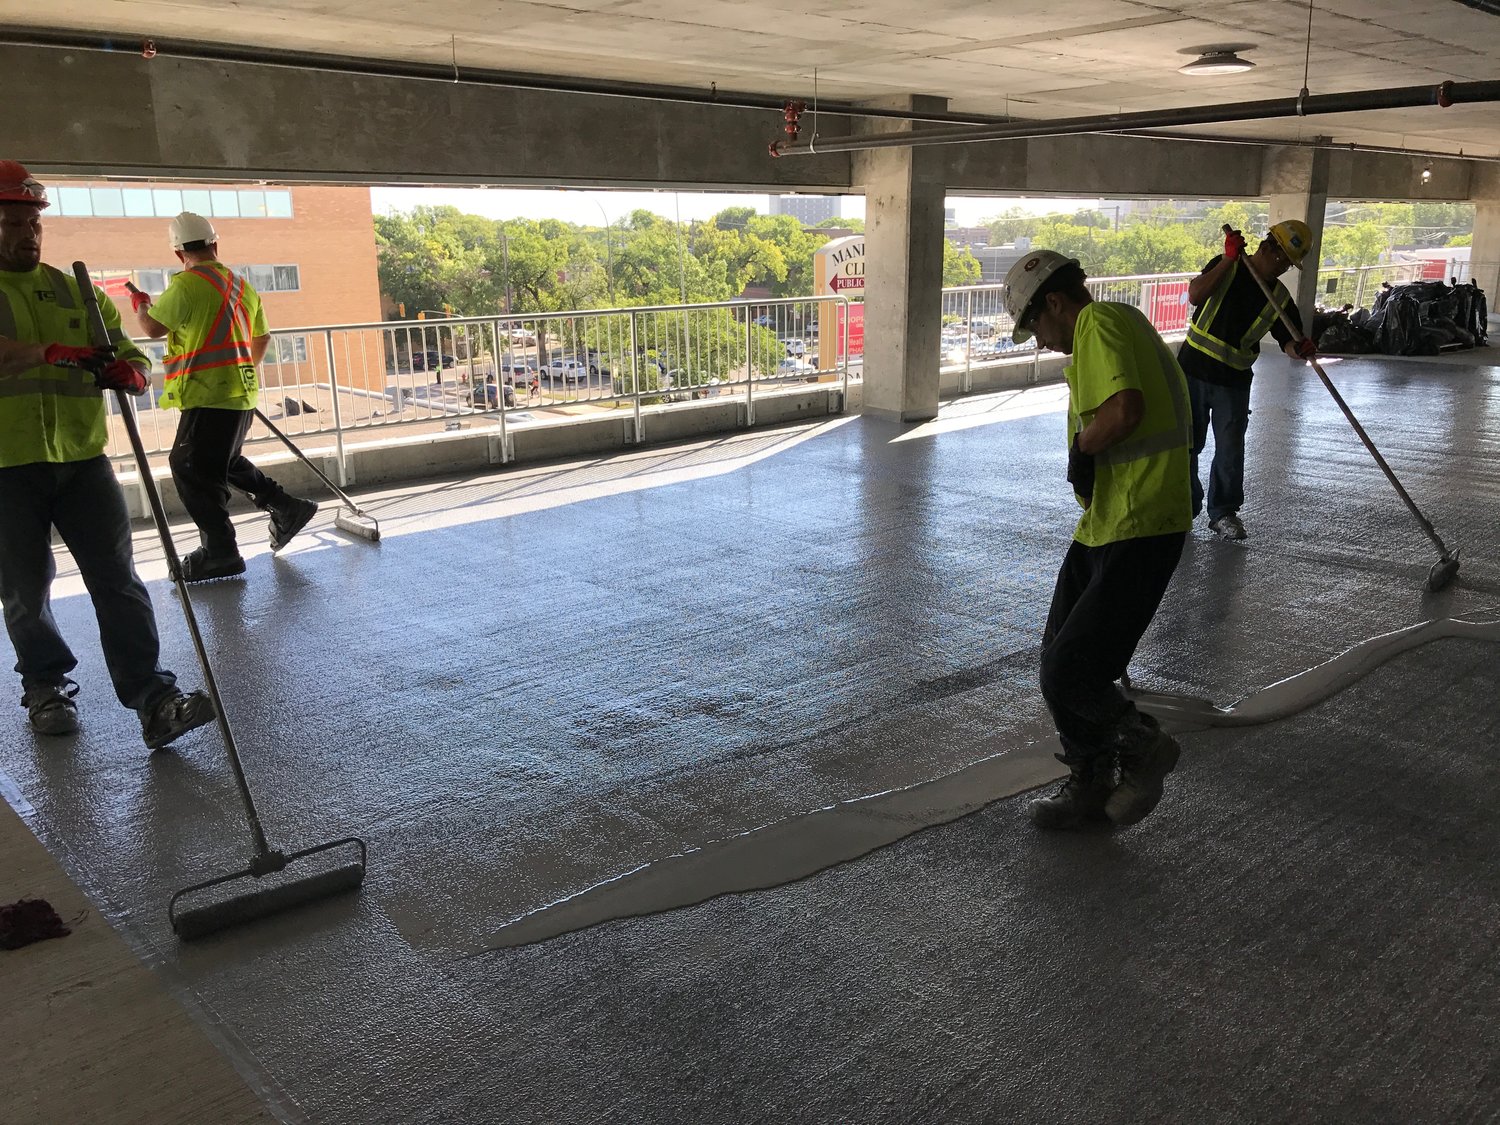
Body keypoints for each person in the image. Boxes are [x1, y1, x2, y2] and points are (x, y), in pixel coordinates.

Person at [0, 161, 216, 748]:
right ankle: (45, 685)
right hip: (6, 466)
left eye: (32, 222)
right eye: (11, 222)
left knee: (119, 581)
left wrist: (135, 374)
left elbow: (128, 350)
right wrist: (53, 350)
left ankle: (153, 697)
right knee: (24, 587)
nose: (27, 234)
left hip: (82, 460)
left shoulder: (76, 290)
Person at [1003, 249, 1194, 830]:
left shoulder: (1101, 323)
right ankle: (1090, 781)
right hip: (1109, 521)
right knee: (1057, 656)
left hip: (1144, 520)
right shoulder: (1103, 330)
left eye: (1034, 324)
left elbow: (1125, 410)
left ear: (1054, 303)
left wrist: (1083, 448)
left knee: (1072, 669)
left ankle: (1142, 746)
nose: (1038, 341)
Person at [131, 212, 318, 581]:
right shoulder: (241, 286)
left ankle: (220, 551)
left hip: (208, 393)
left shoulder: (186, 285)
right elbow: (262, 337)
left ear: (178, 253)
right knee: (222, 460)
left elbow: (153, 328)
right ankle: (286, 507)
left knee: (189, 466)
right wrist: (242, 367)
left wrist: (140, 305)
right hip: (240, 390)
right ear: (215, 245)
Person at [1179, 220, 1317, 541]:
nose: (1282, 267)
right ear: (1265, 246)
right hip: (1193, 371)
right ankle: (1183, 507)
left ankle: (1223, 513)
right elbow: (1196, 295)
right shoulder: (1227, 265)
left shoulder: (1279, 299)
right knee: (1186, 444)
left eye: (1288, 263)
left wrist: (1301, 348)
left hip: (1234, 382)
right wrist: (1228, 259)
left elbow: (1288, 342)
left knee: (1229, 449)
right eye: (1280, 257)